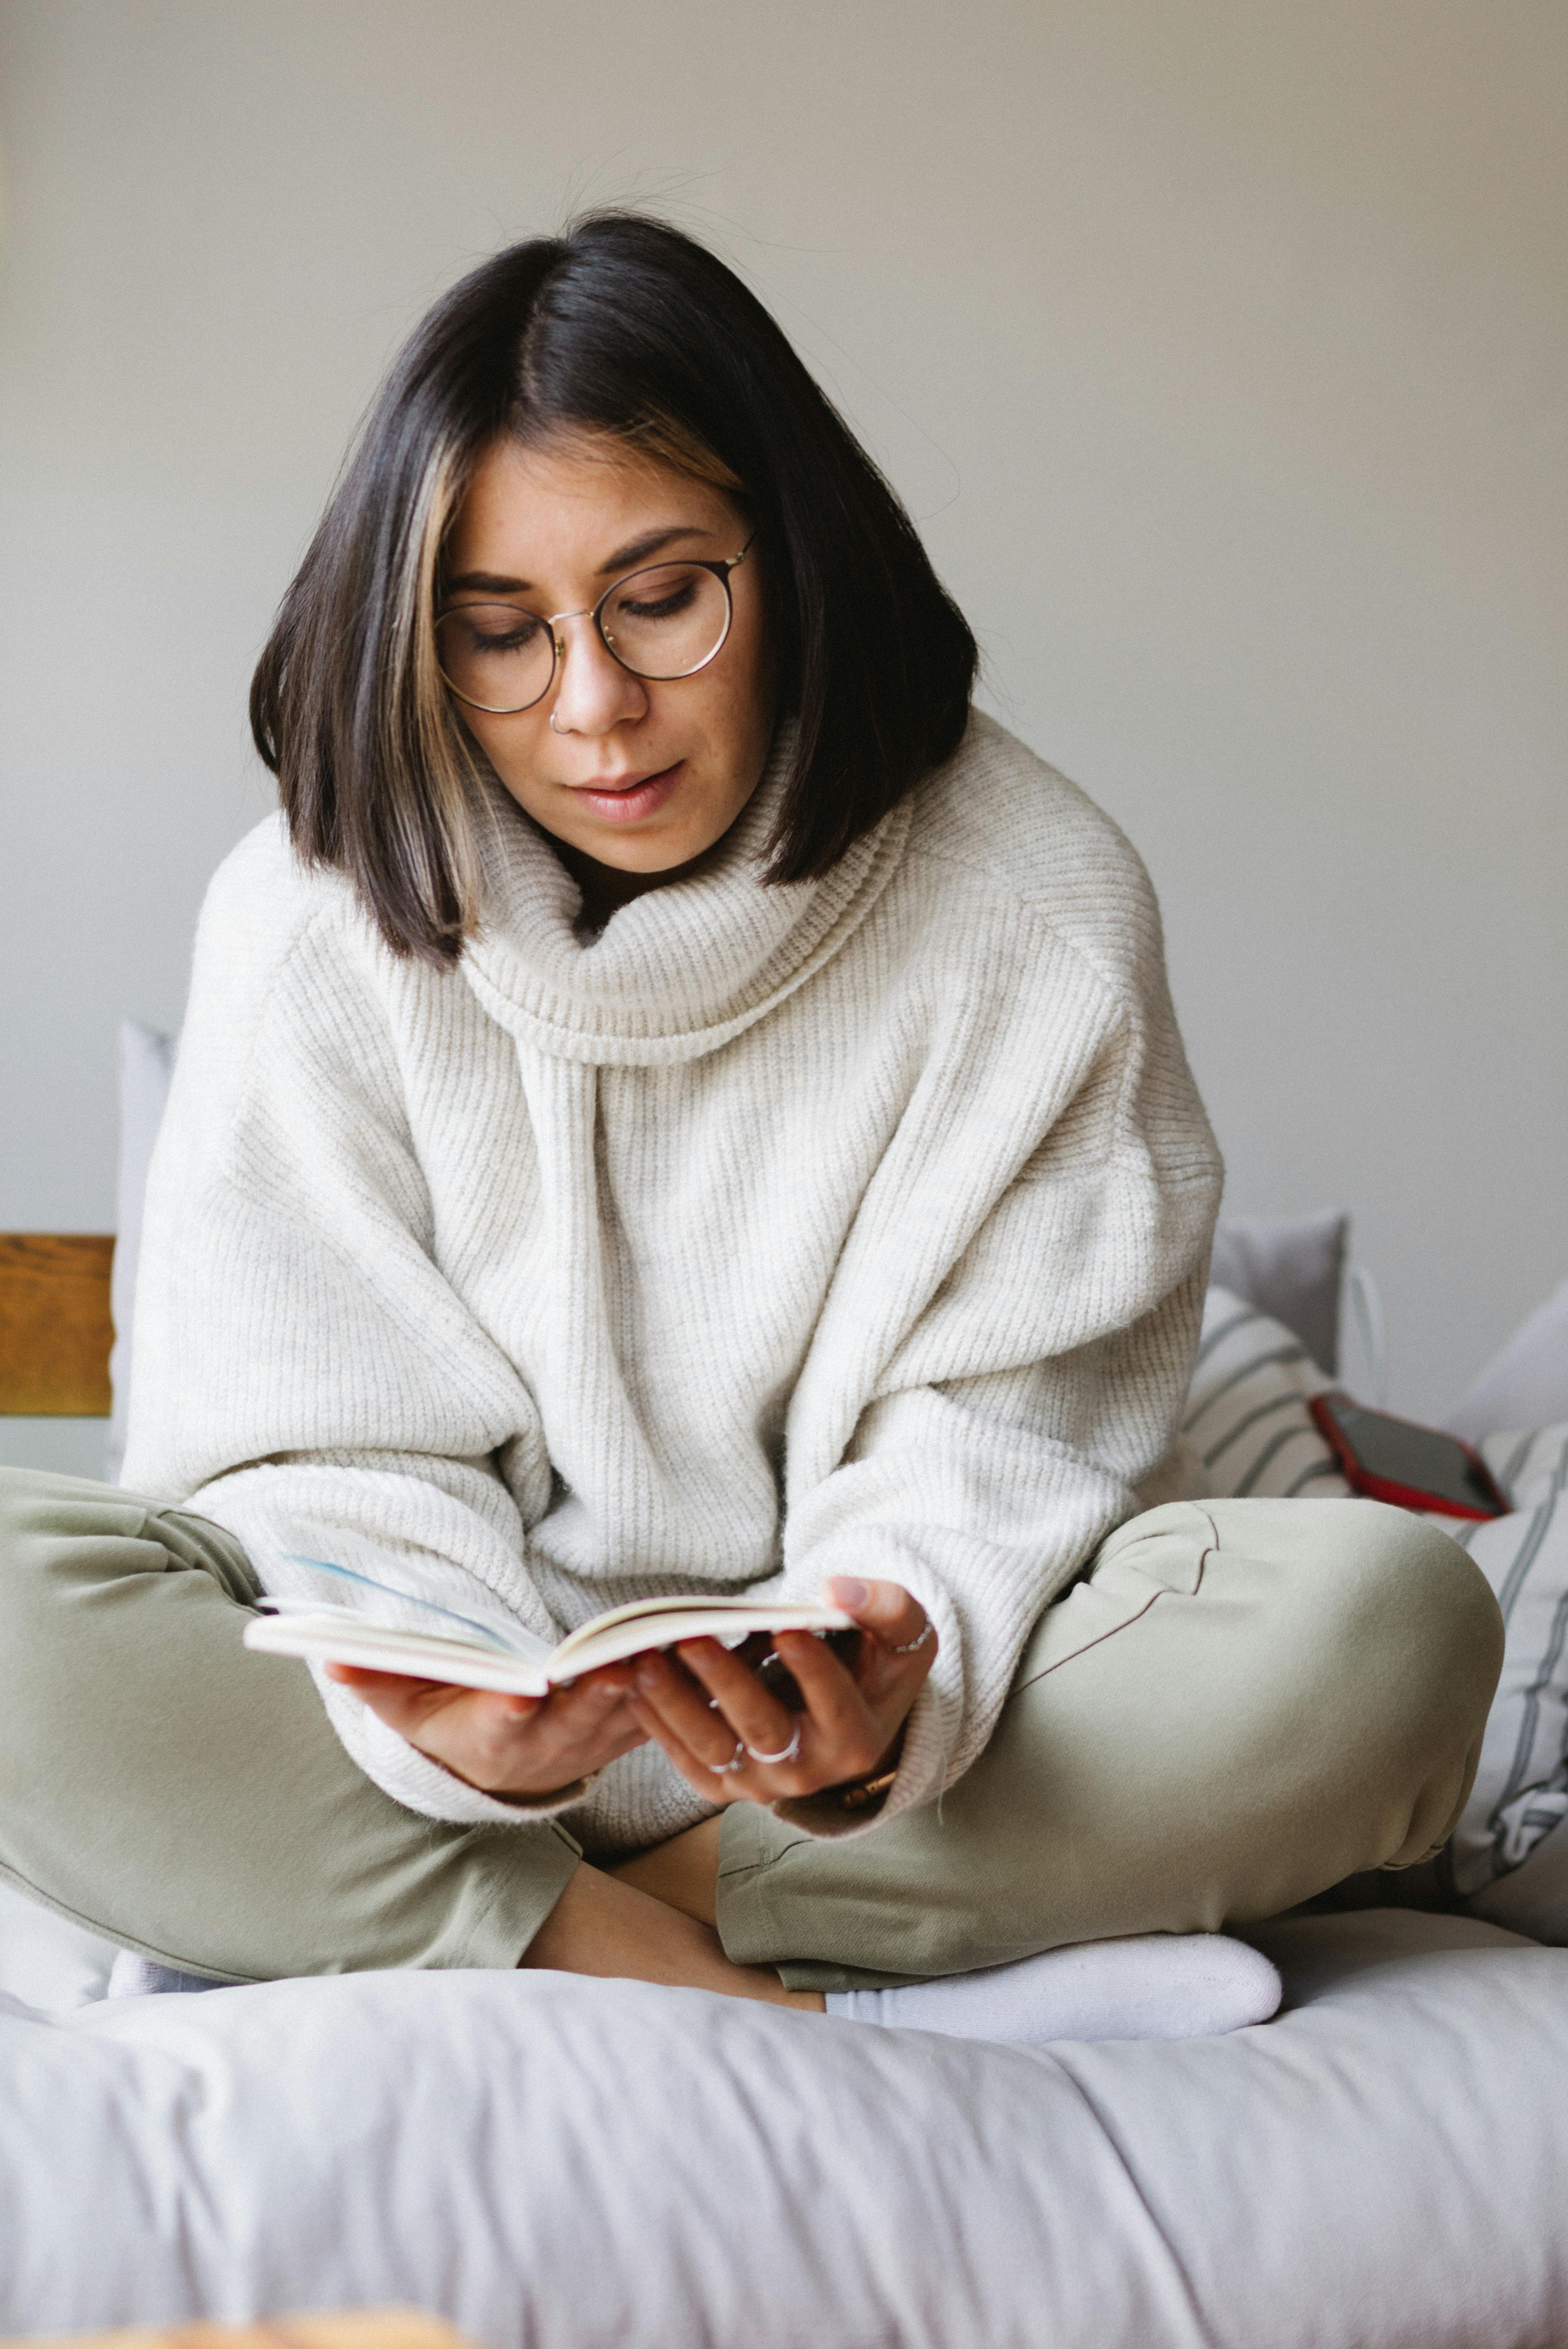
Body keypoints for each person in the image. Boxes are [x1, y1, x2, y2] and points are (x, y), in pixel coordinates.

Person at [0, 216, 1502, 2044]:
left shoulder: (1034, 905)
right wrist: (453, 1723)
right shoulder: (311, 910)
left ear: (789, 557)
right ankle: (764, 1984)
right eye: (498, 633)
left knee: (1394, 1630)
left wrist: (890, 1674)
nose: (592, 706)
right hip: (463, 1740)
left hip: (887, 1763)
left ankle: (533, 1932)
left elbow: (1009, 1440)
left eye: (662, 597)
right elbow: (313, 1448)